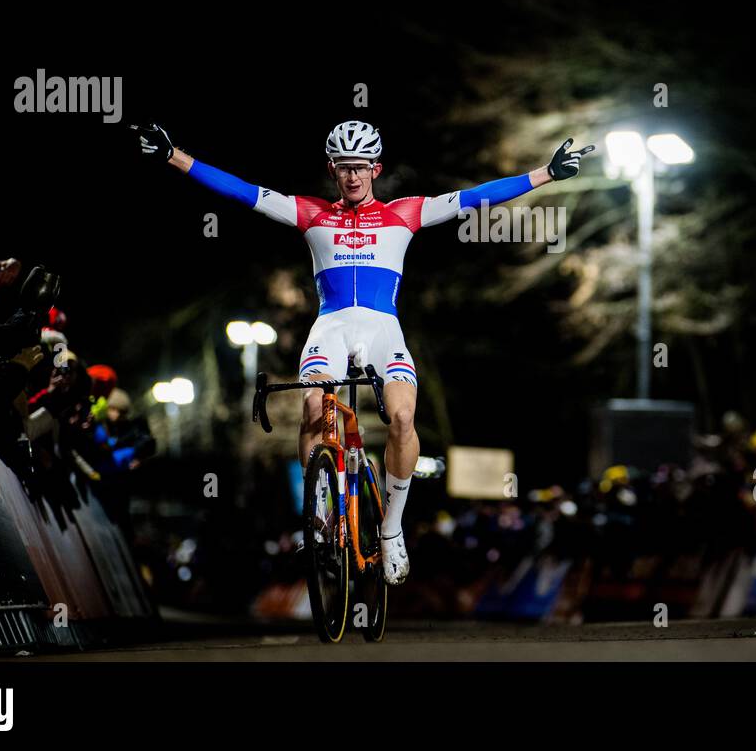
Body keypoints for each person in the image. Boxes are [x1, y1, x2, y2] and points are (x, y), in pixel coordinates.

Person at [131, 120, 594, 584]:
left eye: (361, 168)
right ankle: (318, 514)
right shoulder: (310, 212)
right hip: (330, 327)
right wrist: (175, 156)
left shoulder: (405, 214)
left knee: (402, 418)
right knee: (314, 407)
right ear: (333, 170)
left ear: (376, 168)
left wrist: (546, 174)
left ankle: (391, 530)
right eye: (344, 168)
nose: (353, 177)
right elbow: (244, 192)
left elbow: (473, 198)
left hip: (382, 331)